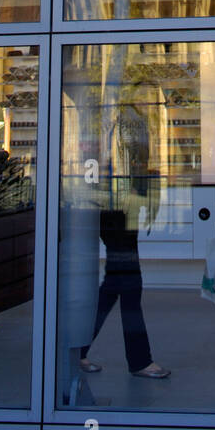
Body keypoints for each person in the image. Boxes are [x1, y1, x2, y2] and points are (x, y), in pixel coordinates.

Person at [80, 83, 170, 379]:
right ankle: (139, 360)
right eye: (147, 93)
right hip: (117, 209)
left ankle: (78, 349)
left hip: (111, 207)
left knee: (116, 285)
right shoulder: (129, 120)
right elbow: (133, 166)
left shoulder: (119, 118)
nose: (152, 98)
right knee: (129, 283)